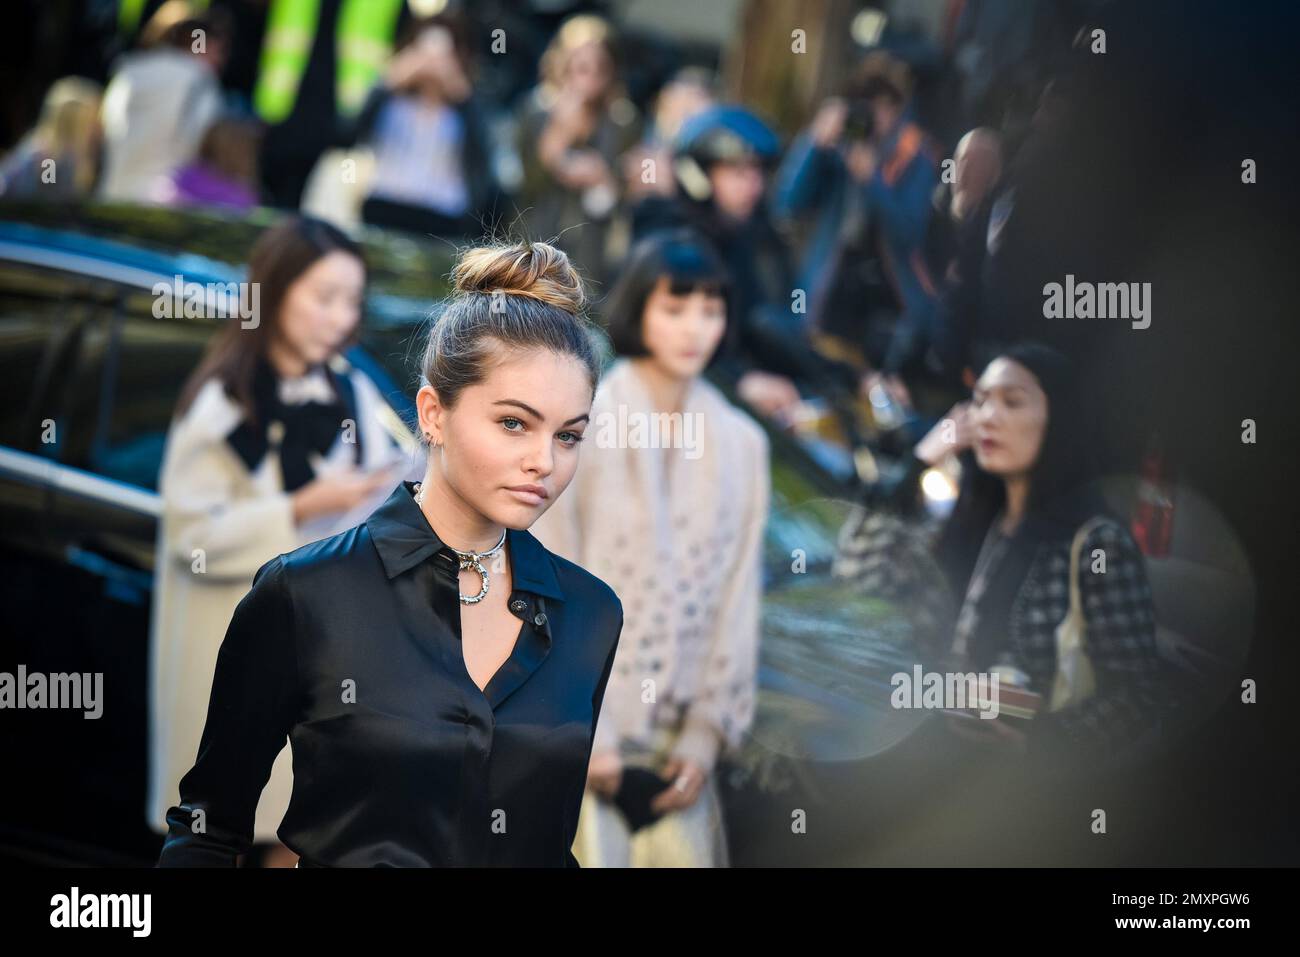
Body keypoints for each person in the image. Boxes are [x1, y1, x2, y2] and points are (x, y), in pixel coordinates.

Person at [156, 240, 624, 867]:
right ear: (433, 414)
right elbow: (209, 831)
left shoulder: (592, 614)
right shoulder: (306, 594)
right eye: (514, 423)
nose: (545, 461)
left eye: (568, 435)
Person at [148, 215, 417, 868]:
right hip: (229, 647)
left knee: (301, 836)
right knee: (226, 828)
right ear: (272, 291)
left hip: (322, 650)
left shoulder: (350, 389)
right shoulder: (224, 400)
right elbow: (193, 531)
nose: (338, 317)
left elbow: (393, 493)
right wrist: (301, 505)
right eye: (322, 297)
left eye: (350, 301)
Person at [530, 230, 769, 866]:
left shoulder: (744, 444)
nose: (696, 327)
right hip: (577, 736)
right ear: (638, 309)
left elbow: (739, 596)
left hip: (680, 754)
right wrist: (587, 735)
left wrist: (705, 736)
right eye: (675, 307)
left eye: (711, 309)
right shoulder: (581, 423)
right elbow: (547, 578)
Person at [905, 342, 1167, 765]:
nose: (987, 416)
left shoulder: (1098, 543)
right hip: (941, 757)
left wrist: (1040, 744)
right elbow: (860, 566)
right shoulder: (979, 518)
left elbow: (1139, 695)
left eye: (1012, 402)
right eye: (980, 401)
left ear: (1057, 419)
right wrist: (919, 460)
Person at [346, 14, 502, 238]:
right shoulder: (391, 101)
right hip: (385, 204)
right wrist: (389, 80)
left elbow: (484, 161)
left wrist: (461, 94)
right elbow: (348, 135)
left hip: (442, 215)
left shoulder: (467, 109)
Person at [515, 14, 641, 285]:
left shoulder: (622, 120)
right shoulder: (538, 110)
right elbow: (527, 182)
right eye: (581, 68)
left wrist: (602, 177)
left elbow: (625, 193)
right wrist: (560, 133)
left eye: (600, 68)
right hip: (534, 241)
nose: (590, 78)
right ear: (562, 64)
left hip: (591, 250)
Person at [97, 1, 229, 203]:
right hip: (162, 203)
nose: (220, 60)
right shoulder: (200, 81)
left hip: (110, 193)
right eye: (218, 50)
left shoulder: (128, 70)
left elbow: (107, 126)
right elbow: (198, 141)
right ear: (200, 43)